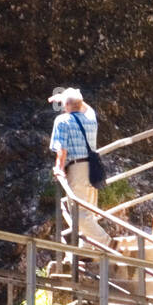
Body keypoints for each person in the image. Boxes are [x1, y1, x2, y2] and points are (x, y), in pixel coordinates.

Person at [49, 87, 110, 251]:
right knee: (88, 211)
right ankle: (87, 249)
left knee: (79, 214)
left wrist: (59, 168)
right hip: (94, 168)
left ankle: (106, 243)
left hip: (78, 169)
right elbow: (85, 106)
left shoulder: (63, 121)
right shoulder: (90, 117)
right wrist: (68, 97)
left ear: (66, 105)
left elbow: (62, 149)